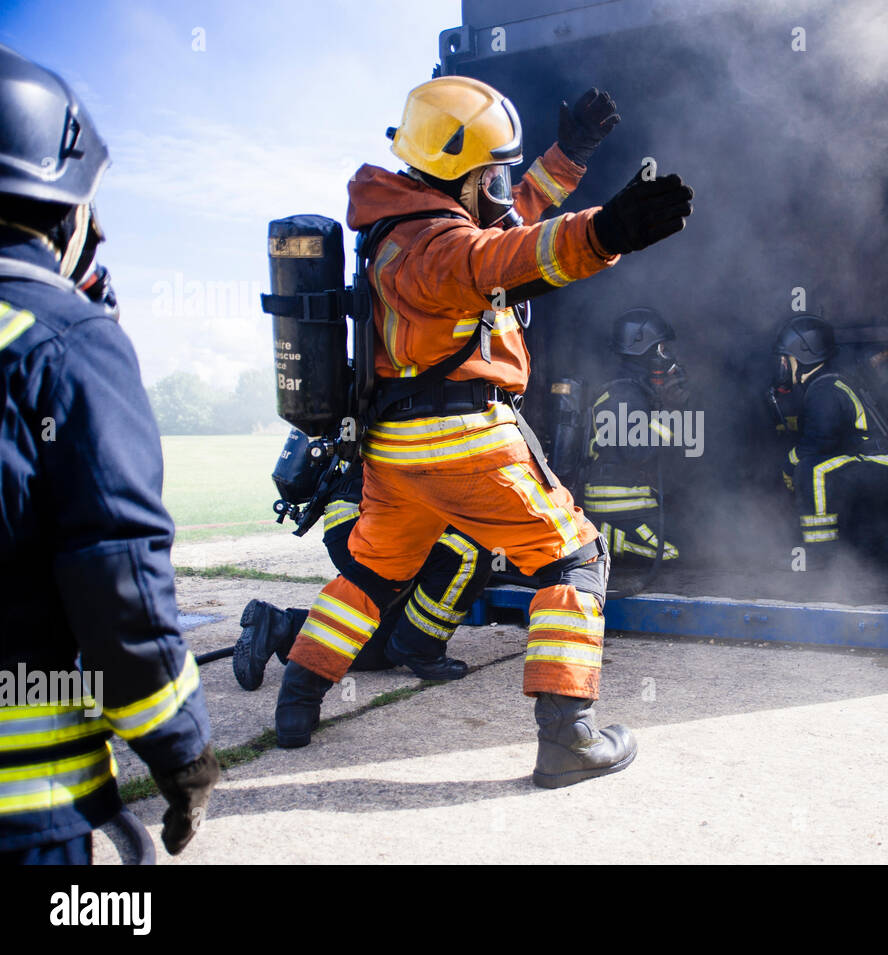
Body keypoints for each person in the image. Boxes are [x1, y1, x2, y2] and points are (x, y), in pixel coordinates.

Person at [273, 76, 693, 790]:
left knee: (369, 577)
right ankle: (568, 738)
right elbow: (503, 258)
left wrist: (570, 153)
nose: (501, 186)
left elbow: (508, 217)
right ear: (457, 174)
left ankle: (297, 702)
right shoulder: (435, 245)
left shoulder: (404, 223)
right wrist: (604, 231)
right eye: (491, 174)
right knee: (576, 563)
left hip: (397, 455)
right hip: (466, 439)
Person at [0, 45, 217, 863]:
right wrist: (184, 749)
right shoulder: (62, 340)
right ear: (64, 208)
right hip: (27, 808)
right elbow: (116, 579)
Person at [234, 459, 491, 690]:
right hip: (368, 523)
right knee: (468, 552)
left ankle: (280, 626)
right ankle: (422, 649)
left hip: (354, 523)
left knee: (382, 648)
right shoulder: (441, 414)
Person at [771, 316, 888, 566]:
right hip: (886, 467)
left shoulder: (824, 389)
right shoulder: (832, 381)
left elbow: (819, 443)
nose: (782, 365)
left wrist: (788, 464)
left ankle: (820, 557)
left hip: (879, 464)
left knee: (811, 469)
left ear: (802, 355)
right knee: (865, 543)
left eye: (786, 359)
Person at [584, 307, 689, 562]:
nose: (668, 356)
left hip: (636, 505)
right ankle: (610, 537)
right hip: (620, 510)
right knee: (683, 551)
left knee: (696, 535)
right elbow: (636, 451)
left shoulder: (636, 390)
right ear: (643, 350)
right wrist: (672, 412)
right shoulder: (624, 394)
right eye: (662, 348)